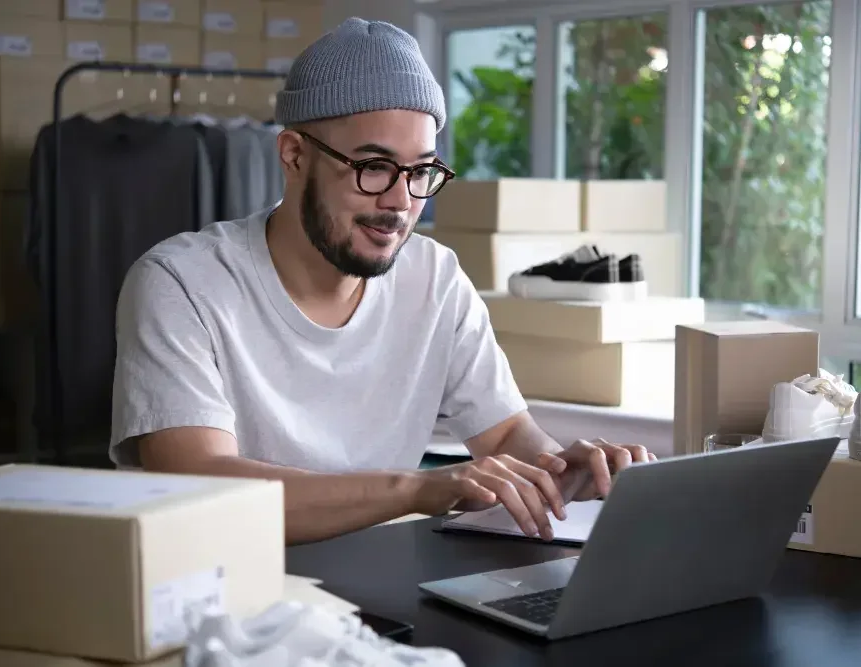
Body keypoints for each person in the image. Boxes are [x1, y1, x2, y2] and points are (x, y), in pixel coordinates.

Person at [110, 17, 655, 545]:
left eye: (421, 172)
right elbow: (198, 481)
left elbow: (507, 434)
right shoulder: (181, 283)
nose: (399, 201)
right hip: (219, 591)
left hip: (375, 583)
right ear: (295, 155)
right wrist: (419, 489)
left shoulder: (434, 278)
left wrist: (561, 468)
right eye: (373, 166)